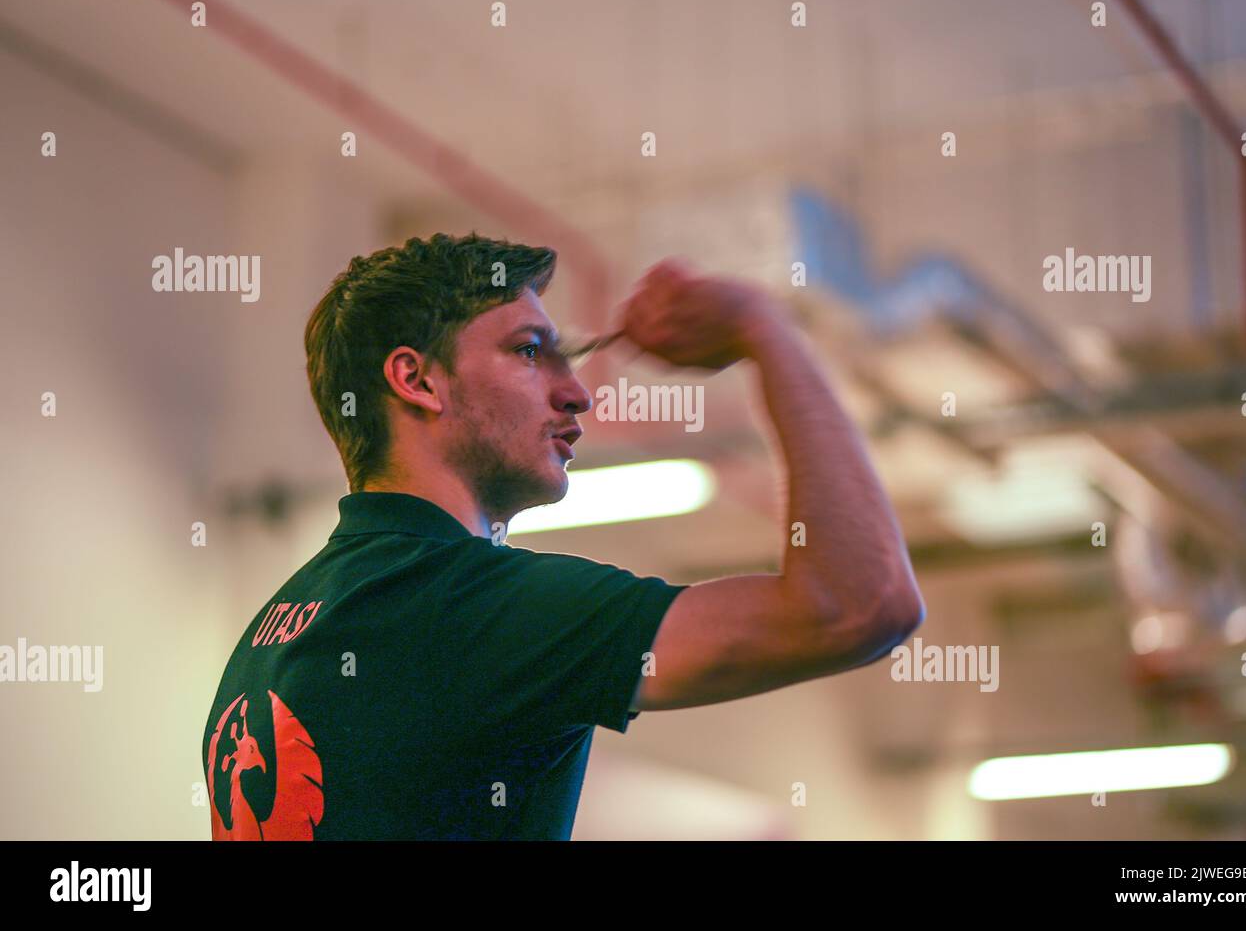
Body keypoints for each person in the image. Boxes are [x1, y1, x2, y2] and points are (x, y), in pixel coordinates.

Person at [201, 231, 924, 840]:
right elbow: (862, 604)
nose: (576, 390)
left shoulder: (273, 636)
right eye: (528, 351)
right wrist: (769, 334)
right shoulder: (470, 607)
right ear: (417, 380)